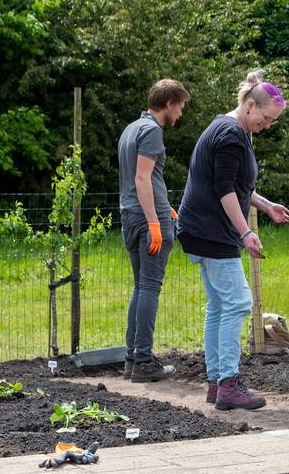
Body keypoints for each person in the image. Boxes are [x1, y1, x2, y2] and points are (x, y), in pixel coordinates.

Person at [177, 70, 289, 410]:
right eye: (265, 118)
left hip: (199, 229)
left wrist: (266, 205)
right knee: (240, 303)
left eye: (272, 121)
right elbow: (224, 190)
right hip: (212, 231)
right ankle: (228, 382)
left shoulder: (232, 127)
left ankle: (217, 383)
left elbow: (240, 186)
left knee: (219, 305)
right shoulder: (230, 135)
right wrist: (246, 232)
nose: (267, 125)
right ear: (247, 105)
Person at [118, 79, 189, 383]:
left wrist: (166, 206)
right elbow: (142, 178)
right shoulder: (153, 131)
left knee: (139, 287)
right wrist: (155, 221)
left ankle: (132, 358)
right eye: (181, 107)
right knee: (150, 288)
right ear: (169, 103)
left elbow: (148, 180)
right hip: (147, 218)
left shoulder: (131, 128)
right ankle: (144, 361)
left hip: (129, 214)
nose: (181, 114)